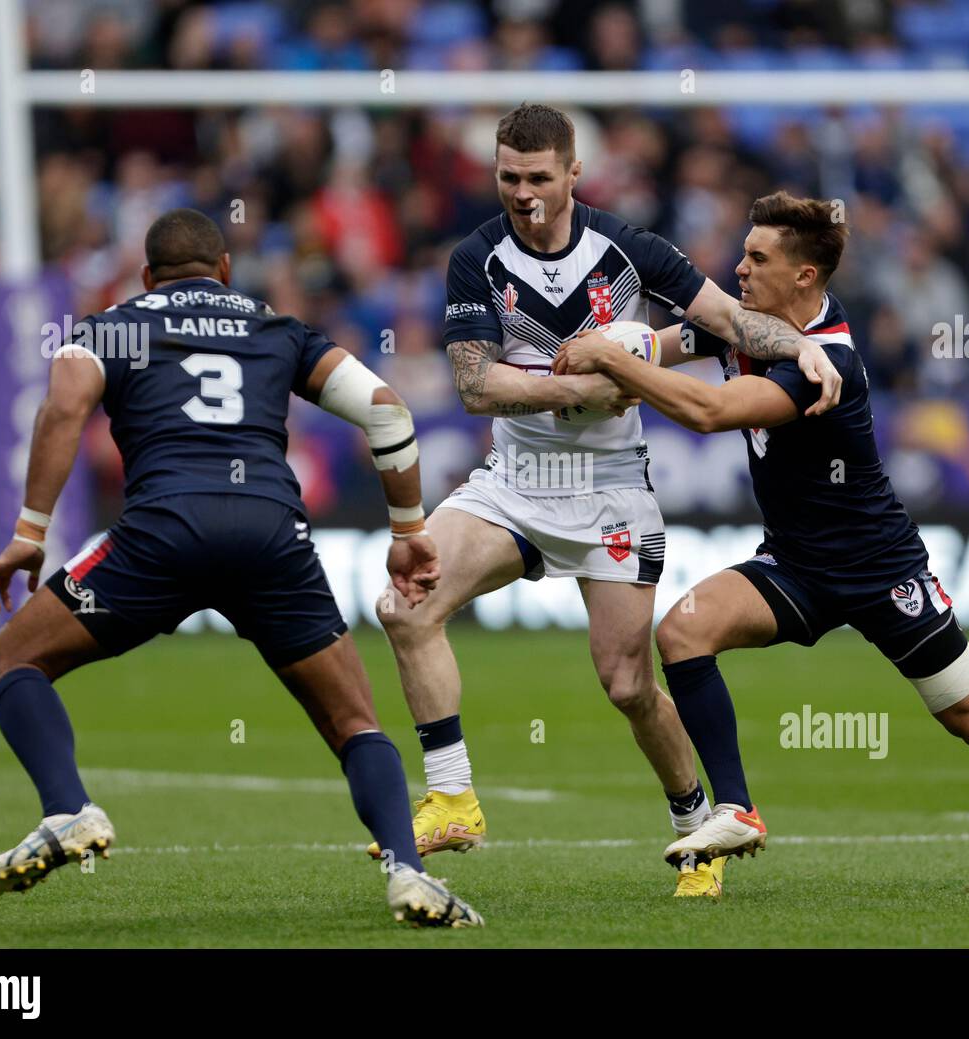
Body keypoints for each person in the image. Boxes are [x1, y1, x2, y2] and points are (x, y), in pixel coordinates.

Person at [554, 191, 969, 892]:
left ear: (806, 276)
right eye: (742, 253)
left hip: (878, 567)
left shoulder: (828, 364)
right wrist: (618, 350)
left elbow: (709, 411)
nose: (737, 269)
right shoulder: (744, 326)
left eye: (757, 258)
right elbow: (660, 345)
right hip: (795, 565)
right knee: (683, 631)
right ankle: (737, 808)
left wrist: (615, 365)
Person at [376, 105, 842, 898]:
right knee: (406, 602)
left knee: (627, 683)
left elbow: (729, 319)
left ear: (572, 174)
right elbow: (474, 381)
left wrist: (804, 346)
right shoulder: (475, 258)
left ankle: (699, 829)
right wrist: (590, 381)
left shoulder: (628, 248)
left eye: (538, 178)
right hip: (516, 485)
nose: (522, 194)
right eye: (508, 177)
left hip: (612, 491)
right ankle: (453, 795)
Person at [0, 208, 482, 926]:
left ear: (148, 277)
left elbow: (63, 405)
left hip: (162, 534)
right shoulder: (274, 326)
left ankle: (68, 809)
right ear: (223, 271)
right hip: (271, 535)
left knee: (10, 663)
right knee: (355, 723)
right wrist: (408, 531)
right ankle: (408, 871)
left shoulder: (115, 324)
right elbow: (387, 410)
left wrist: (30, 531)